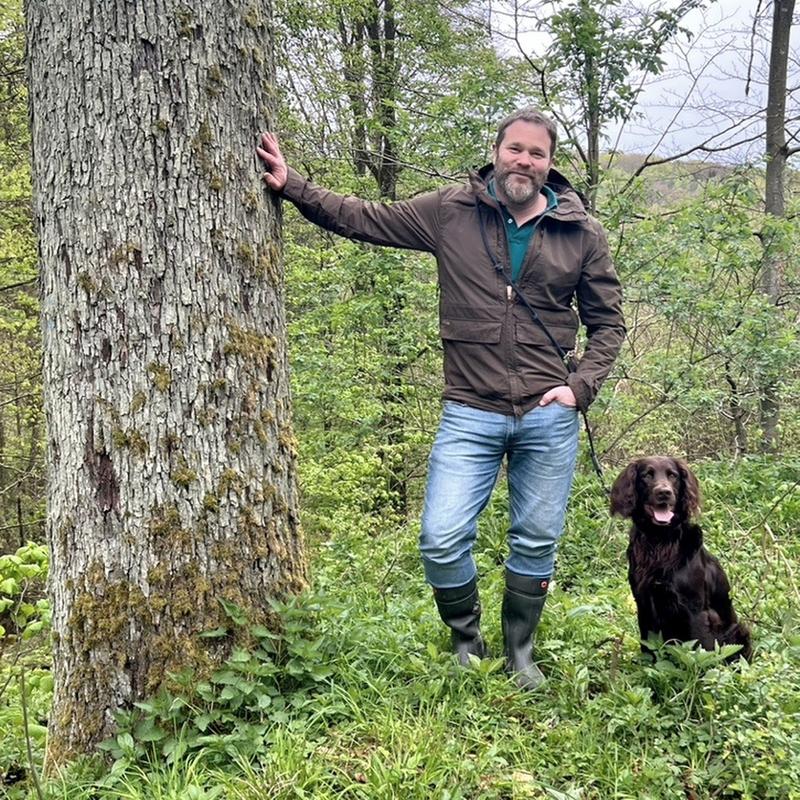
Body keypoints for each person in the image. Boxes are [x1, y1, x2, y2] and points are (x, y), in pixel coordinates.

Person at [257, 108, 625, 689]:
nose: (524, 161)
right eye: (515, 149)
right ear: (496, 151)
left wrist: (579, 389)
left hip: (548, 414)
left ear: (550, 164)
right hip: (470, 409)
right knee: (441, 538)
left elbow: (608, 325)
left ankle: (520, 653)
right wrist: (293, 186)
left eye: (536, 153)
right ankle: (466, 641)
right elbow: (364, 217)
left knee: (536, 539)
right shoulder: (450, 210)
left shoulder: (581, 232)